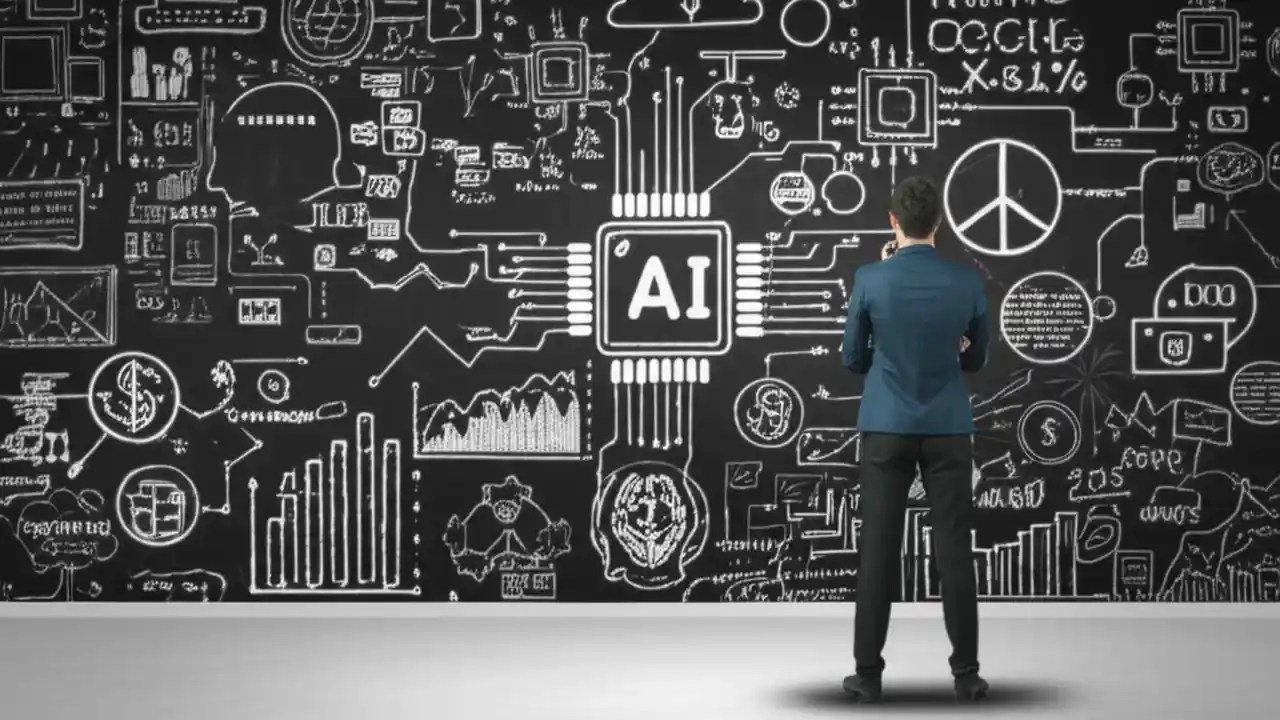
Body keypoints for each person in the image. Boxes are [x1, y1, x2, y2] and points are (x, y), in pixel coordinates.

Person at [839, 176, 991, 703]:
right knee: (955, 552)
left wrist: (882, 278)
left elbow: (854, 359)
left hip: (885, 426)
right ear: (939, 225)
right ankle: (967, 675)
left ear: (893, 222)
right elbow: (976, 359)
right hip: (948, 428)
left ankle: (867, 675)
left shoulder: (869, 279)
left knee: (878, 551)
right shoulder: (966, 280)